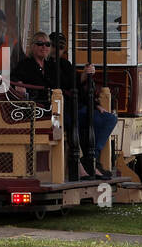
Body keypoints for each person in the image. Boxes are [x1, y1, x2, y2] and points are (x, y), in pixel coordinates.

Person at [48, 32, 117, 179]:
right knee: (78, 122)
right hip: (60, 111)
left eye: (60, 47)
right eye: (52, 45)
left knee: (108, 119)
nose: (55, 49)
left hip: (76, 107)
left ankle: (93, 157)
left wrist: (96, 105)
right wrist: (82, 77)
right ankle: (83, 163)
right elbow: (62, 85)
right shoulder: (46, 66)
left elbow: (77, 89)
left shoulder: (65, 64)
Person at [9, 31, 54, 106]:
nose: (44, 47)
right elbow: (13, 78)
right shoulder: (24, 64)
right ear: (32, 46)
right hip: (32, 105)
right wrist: (18, 83)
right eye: (40, 44)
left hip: (52, 104)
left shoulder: (51, 66)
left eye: (47, 44)